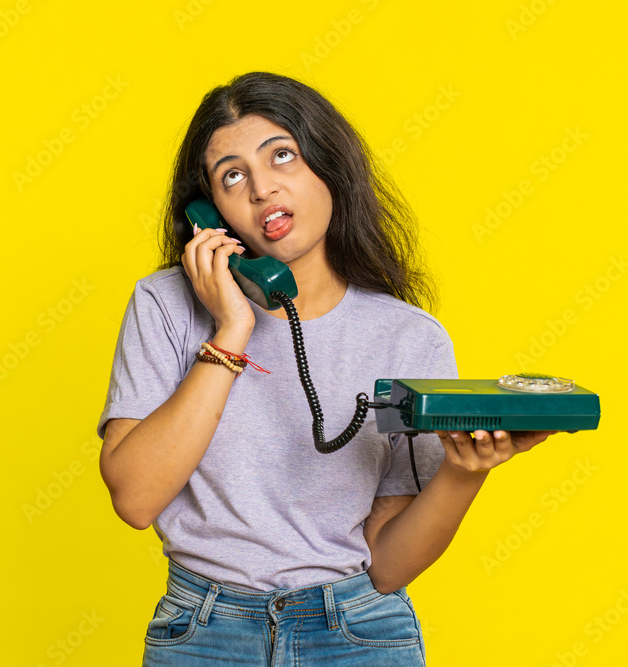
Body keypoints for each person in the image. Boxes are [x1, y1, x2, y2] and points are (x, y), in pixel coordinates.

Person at [96, 72, 554, 666]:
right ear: (210, 213)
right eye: (232, 175)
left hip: (357, 631)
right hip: (206, 631)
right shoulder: (165, 305)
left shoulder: (408, 336)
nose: (261, 189)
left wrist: (466, 473)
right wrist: (231, 331)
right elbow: (135, 499)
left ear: (328, 164)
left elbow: (387, 565)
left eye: (282, 155)